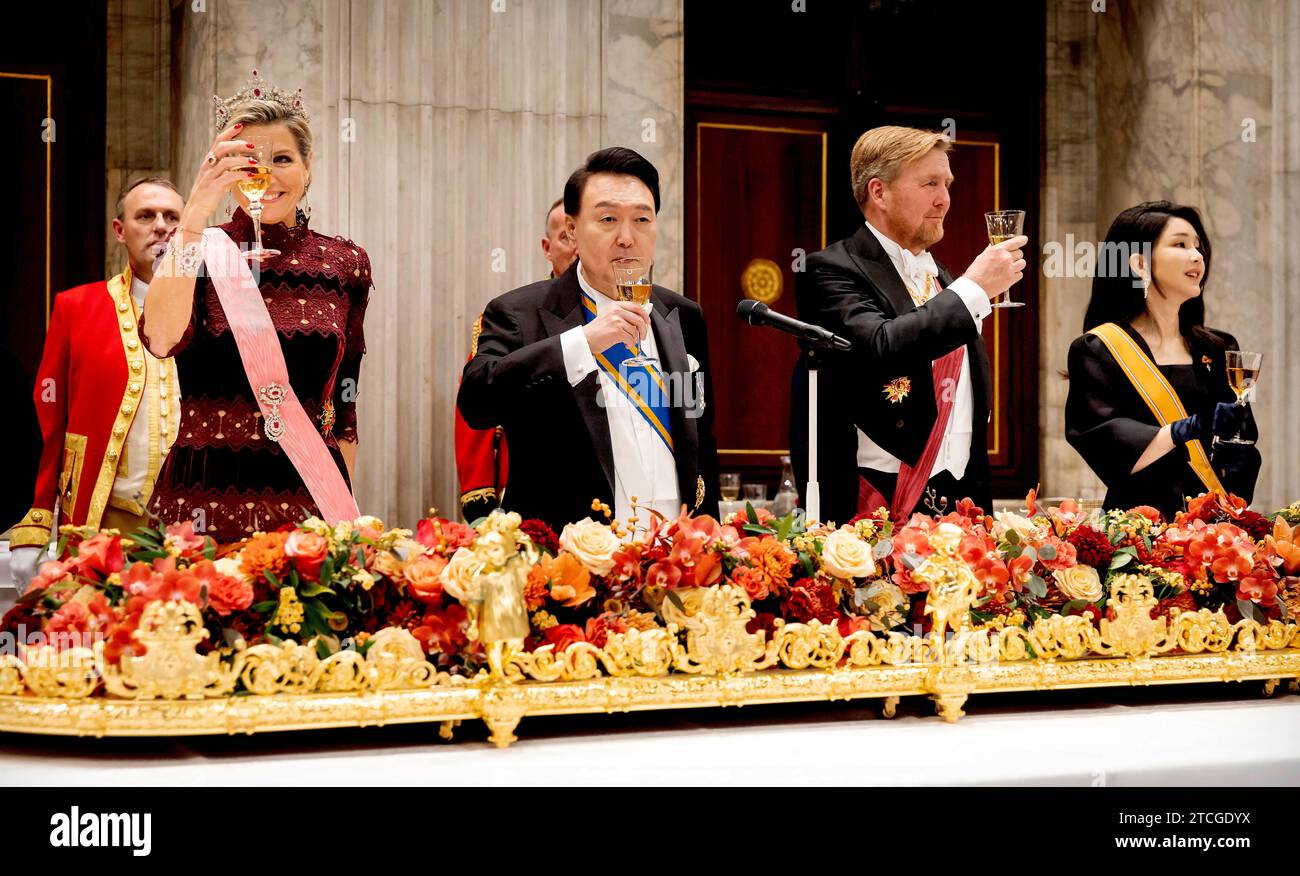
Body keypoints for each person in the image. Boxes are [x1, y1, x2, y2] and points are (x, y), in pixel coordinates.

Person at [140, 76, 371, 542]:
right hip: (201, 501)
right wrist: (197, 208)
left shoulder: (346, 263)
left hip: (309, 499)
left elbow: (344, 405)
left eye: (282, 159)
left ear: (308, 168)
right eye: (248, 161)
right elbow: (160, 338)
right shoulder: (197, 250)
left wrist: (345, 516)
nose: (264, 173)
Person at [458, 147, 720, 533]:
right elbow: (477, 402)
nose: (627, 238)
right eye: (608, 219)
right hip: (571, 567)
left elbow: (702, 441)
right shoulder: (519, 312)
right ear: (572, 230)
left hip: (673, 561)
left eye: (642, 220)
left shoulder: (682, 315)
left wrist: (708, 540)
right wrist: (580, 344)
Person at [792, 125, 1026, 525]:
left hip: (962, 499)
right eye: (930, 184)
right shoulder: (828, 270)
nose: (945, 200)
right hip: (876, 499)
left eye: (948, 184)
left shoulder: (944, 278)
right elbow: (880, 346)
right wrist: (975, 288)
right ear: (878, 192)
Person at [10, 178, 185, 589]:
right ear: (120, 230)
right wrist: (33, 523)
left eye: (172, 217)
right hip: (103, 521)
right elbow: (47, 422)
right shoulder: (77, 307)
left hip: (194, 525)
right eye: (146, 216)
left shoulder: (216, 313)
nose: (161, 226)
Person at [1066, 201, 1260, 518]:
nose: (1197, 255)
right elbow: (1102, 440)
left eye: (1198, 246)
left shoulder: (1221, 347)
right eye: (1180, 244)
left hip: (1217, 529)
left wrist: (1238, 458)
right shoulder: (1100, 348)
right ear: (1140, 263)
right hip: (1139, 531)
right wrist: (1184, 430)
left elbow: (1241, 438)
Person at [454, 198, 576, 521]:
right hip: (528, 497)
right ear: (547, 248)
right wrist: (482, 502)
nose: (575, 248)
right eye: (565, 237)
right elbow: (474, 422)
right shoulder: (514, 318)